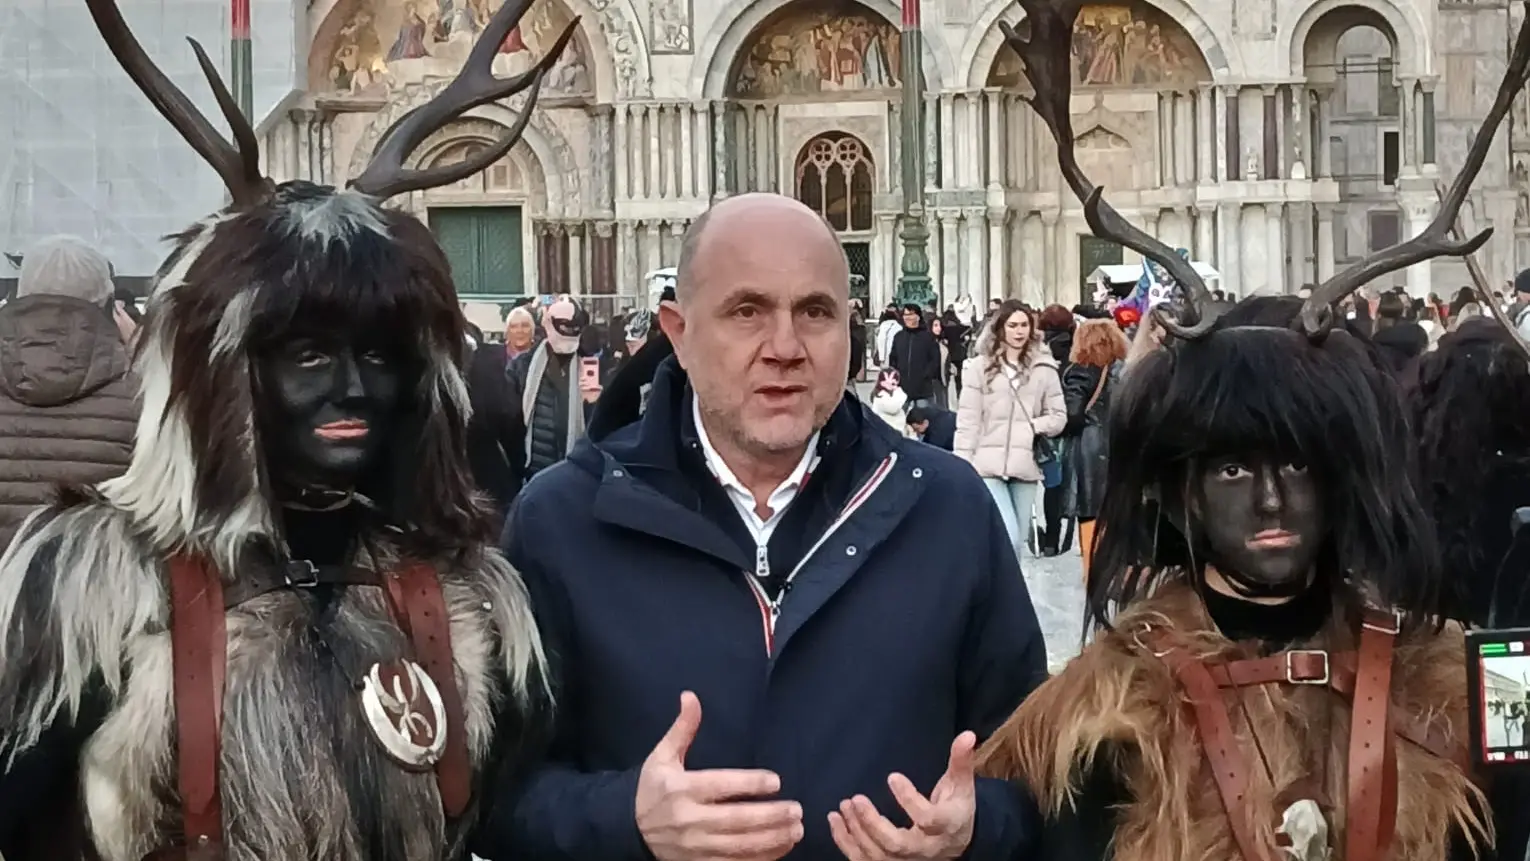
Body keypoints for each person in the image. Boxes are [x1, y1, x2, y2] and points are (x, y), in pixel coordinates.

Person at [0, 1, 563, 857]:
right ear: (227, 373)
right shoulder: (92, 587)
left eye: (378, 356)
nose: (350, 387)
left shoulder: (476, 600)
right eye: (306, 356)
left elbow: (519, 811)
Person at [501, 192, 1047, 861]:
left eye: (814, 312)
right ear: (676, 328)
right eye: (747, 310)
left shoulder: (947, 508)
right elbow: (498, 797)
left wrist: (974, 827)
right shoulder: (563, 520)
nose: (784, 347)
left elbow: (1039, 771)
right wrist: (625, 818)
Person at [0, 235, 137, 551]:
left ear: (19, 295)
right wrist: (148, 357)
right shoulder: (141, 392)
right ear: (107, 303)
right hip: (97, 590)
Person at [954, 300, 1066, 562]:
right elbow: (968, 420)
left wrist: (1034, 426)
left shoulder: (1044, 368)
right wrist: (961, 464)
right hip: (986, 464)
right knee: (1008, 536)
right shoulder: (978, 368)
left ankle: (1006, 596)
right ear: (1000, 328)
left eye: (1024, 325)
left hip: (1025, 464)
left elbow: (1059, 416)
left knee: (1018, 545)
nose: (1019, 331)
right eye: (1013, 325)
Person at [507, 297, 611, 481]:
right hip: (533, 472)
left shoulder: (594, 367)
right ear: (547, 325)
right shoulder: (523, 367)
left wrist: (593, 403)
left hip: (576, 472)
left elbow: (603, 430)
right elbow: (510, 422)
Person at [1058, 318, 1128, 577]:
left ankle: (1094, 574)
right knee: (1114, 513)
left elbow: (1072, 414)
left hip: (1090, 448)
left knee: (1089, 512)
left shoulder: (1080, 370)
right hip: (1120, 447)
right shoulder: (1125, 370)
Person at [888, 302, 943, 408]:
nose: (907, 318)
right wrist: (895, 376)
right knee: (900, 420)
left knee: (924, 419)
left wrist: (926, 375)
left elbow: (935, 360)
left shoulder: (927, 337)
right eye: (905, 315)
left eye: (910, 315)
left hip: (923, 389)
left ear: (918, 317)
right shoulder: (899, 337)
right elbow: (893, 358)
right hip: (902, 388)